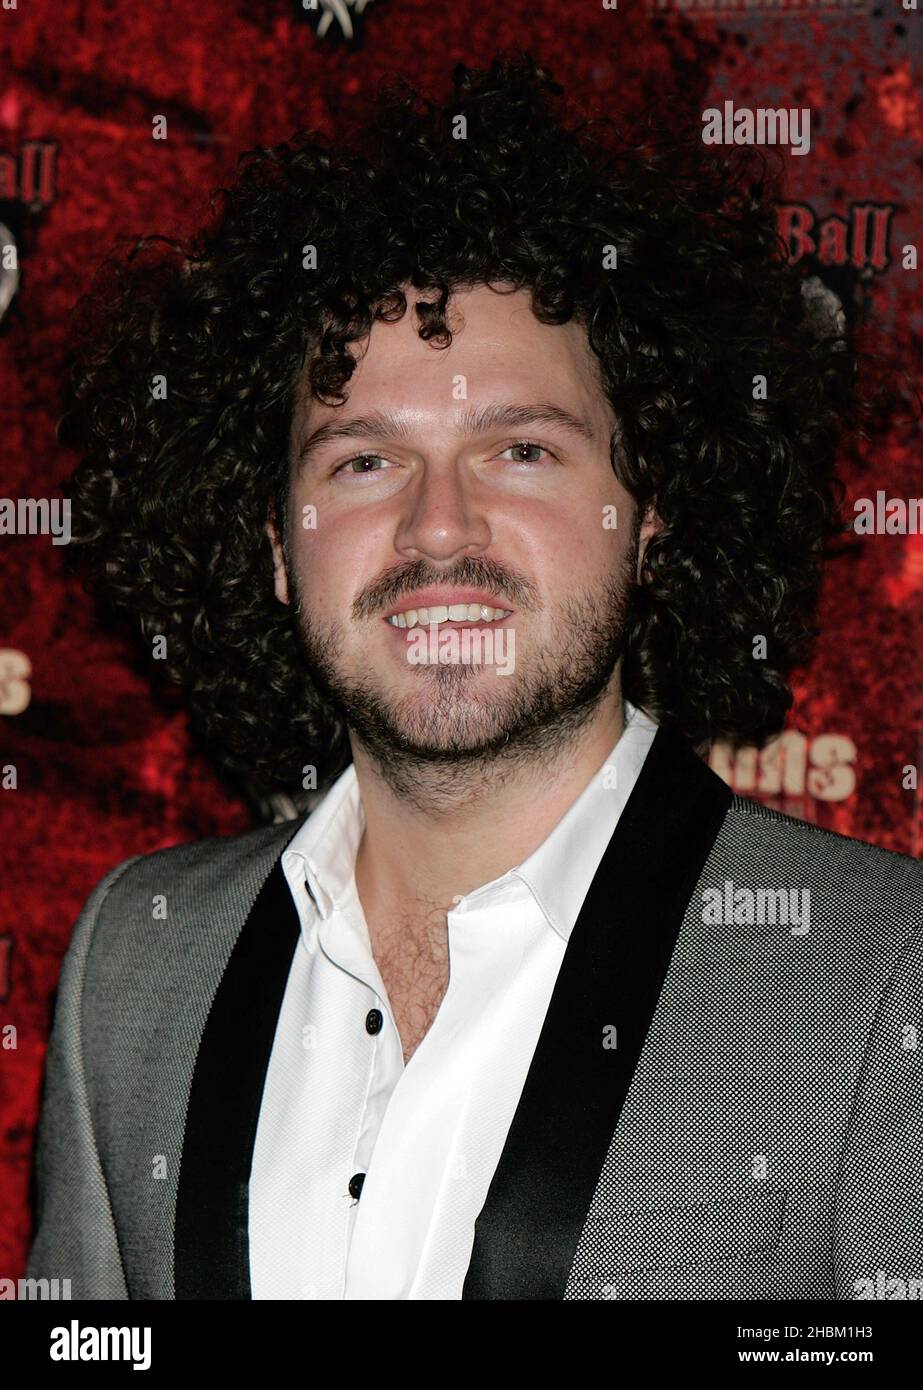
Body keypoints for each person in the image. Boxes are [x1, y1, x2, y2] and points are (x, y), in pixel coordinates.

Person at [26, 53, 922, 1301]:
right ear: (272, 547)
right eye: (360, 462)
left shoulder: (879, 975)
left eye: (519, 449)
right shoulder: (135, 963)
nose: (437, 528)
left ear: (649, 503)